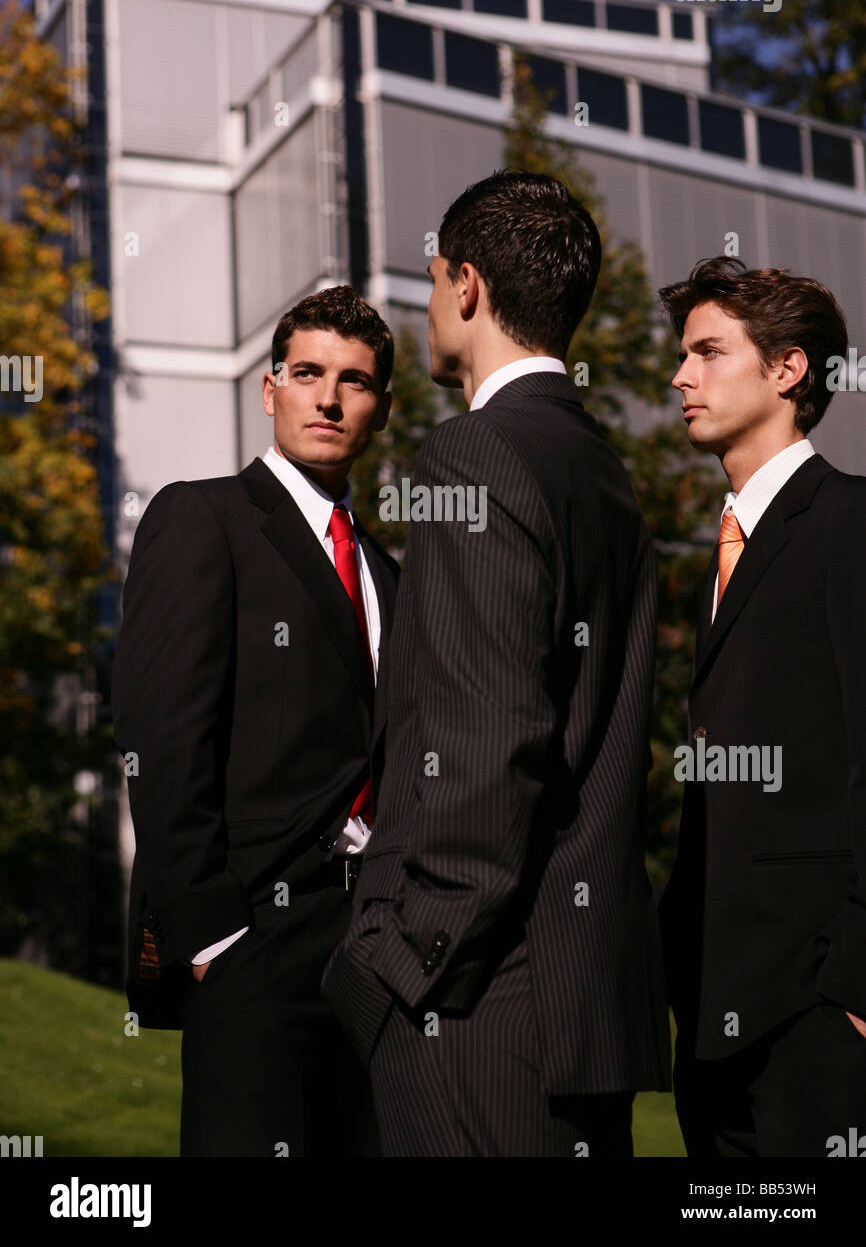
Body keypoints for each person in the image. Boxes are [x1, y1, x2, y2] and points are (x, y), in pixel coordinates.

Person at [323, 170, 671, 1157]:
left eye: (433, 281)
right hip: (572, 1013)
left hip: (472, 1006)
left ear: (466, 286)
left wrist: (390, 965)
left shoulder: (471, 457)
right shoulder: (604, 473)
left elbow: (485, 748)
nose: (430, 305)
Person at [112, 286, 399, 1157]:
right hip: (250, 941)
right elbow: (160, 736)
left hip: (373, 950)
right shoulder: (203, 518)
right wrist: (211, 935)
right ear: (269, 388)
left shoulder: (392, 572)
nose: (327, 397)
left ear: (380, 409)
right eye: (307, 373)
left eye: (354, 381)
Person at [659, 255, 866, 1157]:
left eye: (708, 352)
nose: (680, 376)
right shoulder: (726, 545)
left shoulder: (851, 523)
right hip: (712, 1022)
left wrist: (853, 992)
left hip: (815, 1023)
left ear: (787, 369)